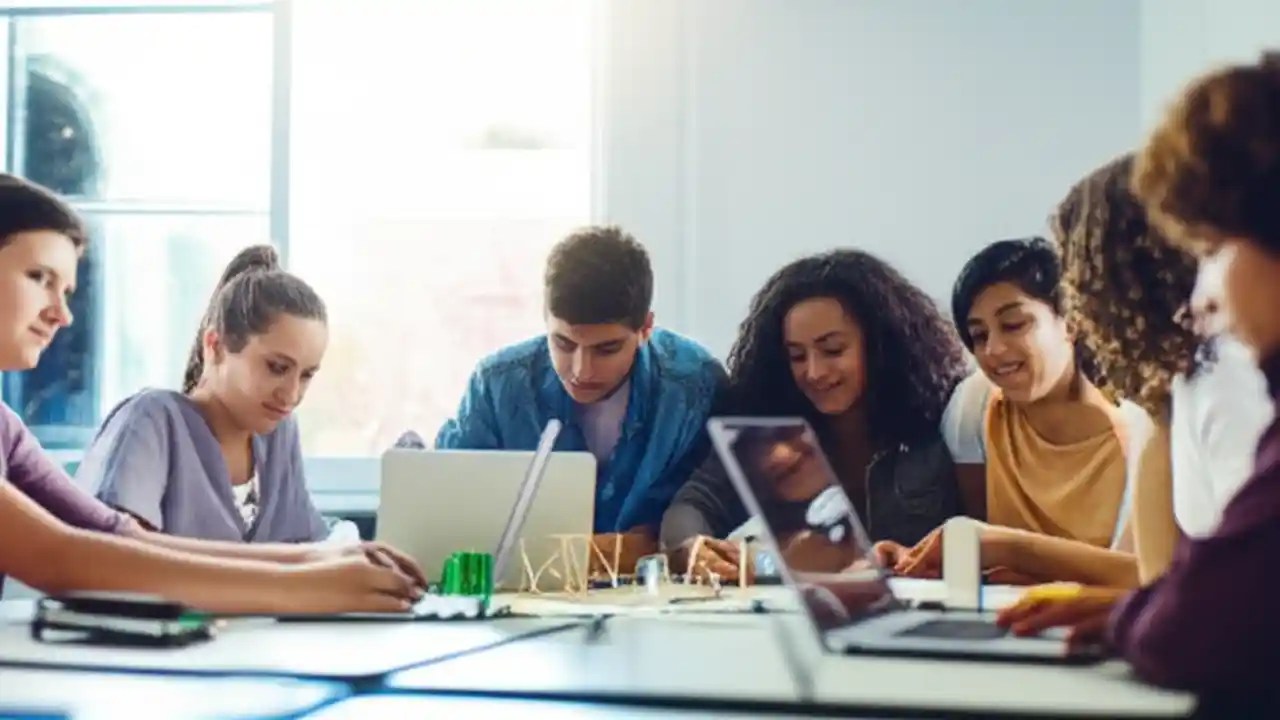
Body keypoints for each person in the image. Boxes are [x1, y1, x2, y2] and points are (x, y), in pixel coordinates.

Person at [0, 173, 423, 613]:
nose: (62, 314)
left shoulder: (6, 428)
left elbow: (119, 537)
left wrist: (318, 558)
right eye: (38, 277)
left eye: (66, 290)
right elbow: (59, 558)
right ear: (215, 345)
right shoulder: (154, 417)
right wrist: (307, 585)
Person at [1000, 53, 1280, 701]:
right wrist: (1141, 611)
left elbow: (1198, 628)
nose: (1204, 295)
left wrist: (1139, 615)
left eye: (1212, 251)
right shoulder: (1179, 392)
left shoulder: (1229, 381)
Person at [660, 250, 974, 582]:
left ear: (881, 346)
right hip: (826, 615)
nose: (814, 372)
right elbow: (692, 505)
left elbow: (985, 535)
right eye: (796, 356)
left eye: (833, 350)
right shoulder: (773, 433)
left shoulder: (944, 417)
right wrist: (690, 548)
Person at [419, 226, 724, 567]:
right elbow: (449, 514)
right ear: (545, 318)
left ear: (646, 329)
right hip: (523, 598)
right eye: (563, 344)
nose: (582, 370)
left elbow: (713, 511)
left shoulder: (695, 386)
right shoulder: (496, 384)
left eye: (606, 349)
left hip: (662, 603)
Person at [877, 238, 1152, 588]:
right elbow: (974, 556)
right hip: (1005, 623)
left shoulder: (1139, 431)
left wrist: (1007, 548)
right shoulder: (975, 406)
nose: (993, 350)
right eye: (978, 335)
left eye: (1013, 325)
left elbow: (1147, 577)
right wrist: (912, 560)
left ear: (1071, 323)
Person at [1053, 152, 1272, 580]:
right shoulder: (1174, 386)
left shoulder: (1227, 377)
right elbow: (1157, 578)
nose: (1077, 314)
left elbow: (1255, 577)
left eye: (1078, 279)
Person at [76, 245, 334, 544]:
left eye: (306, 375)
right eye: (277, 368)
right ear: (215, 346)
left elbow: (307, 542)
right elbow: (117, 557)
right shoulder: (153, 421)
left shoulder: (279, 434)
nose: (291, 394)